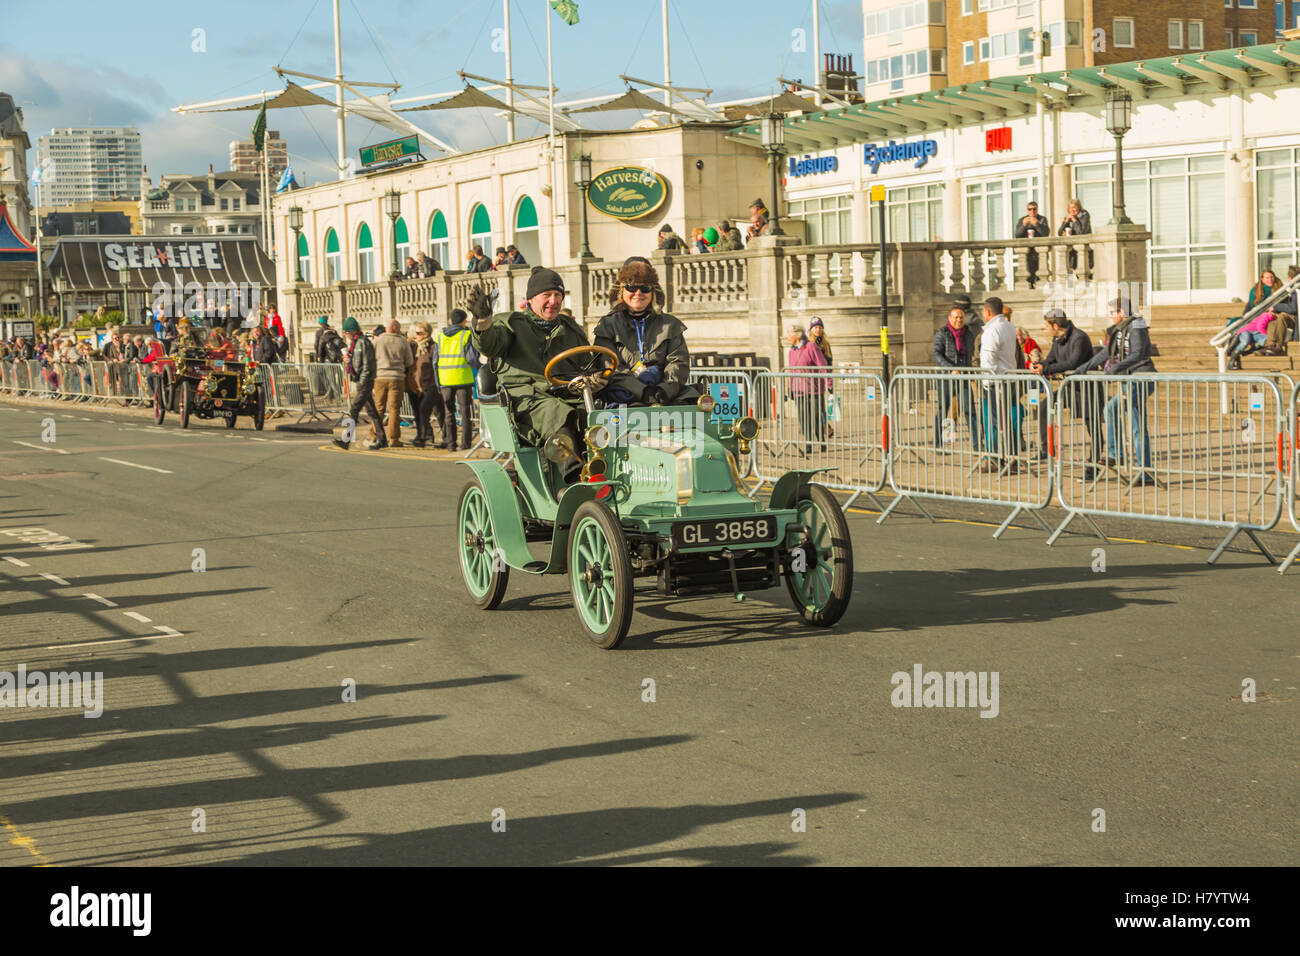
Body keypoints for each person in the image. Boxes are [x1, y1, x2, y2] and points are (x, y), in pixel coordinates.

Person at [470, 266, 592, 478]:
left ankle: (608, 469)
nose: (553, 301)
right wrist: (483, 321)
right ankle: (573, 480)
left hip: (566, 394)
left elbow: (589, 364)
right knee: (558, 414)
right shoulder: (511, 324)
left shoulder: (570, 329)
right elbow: (489, 345)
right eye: (547, 295)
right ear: (531, 299)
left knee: (600, 413)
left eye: (557, 295)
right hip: (525, 399)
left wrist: (596, 378)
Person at [593, 257, 699, 408]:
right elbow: (610, 366)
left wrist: (664, 390)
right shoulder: (608, 325)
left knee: (696, 402)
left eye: (645, 288)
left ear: (653, 291)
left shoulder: (670, 325)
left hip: (665, 396)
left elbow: (678, 363)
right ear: (621, 290)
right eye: (631, 287)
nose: (638, 293)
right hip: (624, 398)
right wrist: (642, 391)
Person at [1078, 298, 1157, 483]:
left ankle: (1116, 454)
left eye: (1112, 312)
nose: (1110, 315)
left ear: (1122, 312)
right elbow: (1107, 353)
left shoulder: (1136, 326)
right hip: (1127, 380)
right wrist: (1085, 366)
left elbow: (1137, 353)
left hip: (1141, 379)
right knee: (1138, 429)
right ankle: (1146, 474)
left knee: (1110, 409)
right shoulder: (1120, 329)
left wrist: (1114, 368)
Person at [1032, 309, 1104, 478]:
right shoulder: (1057, 338)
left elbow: (1074, 362)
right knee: (1044, 406)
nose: (1046, 329)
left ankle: (1093, 464)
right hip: (1070, 387)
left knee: (1092, 427)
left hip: (1087, 388)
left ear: (1055, 325)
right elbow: (1051, 358)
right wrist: (1039, 365)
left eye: (1046, 326)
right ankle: (1045, 448)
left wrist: (1047, 368)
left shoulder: (1080, 337)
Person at [977, 296, 1021, 472]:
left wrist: (986, 382)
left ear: (988, 312)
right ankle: (1011, 457)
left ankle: (996, 459)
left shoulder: (991, 330)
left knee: (996, 422)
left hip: (996, 380)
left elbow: (988, 358)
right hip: (1009, 377)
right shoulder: (1010, 327)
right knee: (1006, 421)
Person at [932, 305, 978, 449]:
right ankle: (938, 444)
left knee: (970, 409)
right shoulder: (942, 333)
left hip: (963, 377)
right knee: (943, 409)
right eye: (956, 317)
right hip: (946, 378)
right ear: (950, 318)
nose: (958, 320)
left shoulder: (968, 334)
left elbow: (970, 354)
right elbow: (936, 354)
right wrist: (950, 369)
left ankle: (977, 444)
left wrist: (970, 372)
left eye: (961, 317)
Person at [338, 316, 385, 451]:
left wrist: (363, 382)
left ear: (353, 331)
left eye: (347, 332)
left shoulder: (362, 342)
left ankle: (346, 440)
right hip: (360, 380)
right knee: (372, 412)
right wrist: (348, 361)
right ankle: (382, 438)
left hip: (364, 381)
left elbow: (367, 364)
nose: (345, 334)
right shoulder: (355, 343)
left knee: (354, 409)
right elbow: (358, 363)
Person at [436, 308, 478, 452]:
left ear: (450, 320)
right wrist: (481, 367)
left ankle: (450, 444)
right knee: (465, 413)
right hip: (463, 379)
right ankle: (465, 444)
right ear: (463, 321)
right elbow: (472, 358)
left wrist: (438, 382)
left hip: (445, 380)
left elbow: (435, 361)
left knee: (449, 413)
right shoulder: (466, 335)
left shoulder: (440, 336)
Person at [785, 323, 830, 453]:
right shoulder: (792, 351)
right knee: (803, 418)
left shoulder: (811, 347)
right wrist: (789, 388)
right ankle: (808, 443)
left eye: (789, 335)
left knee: (816, 417)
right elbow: (791, 371)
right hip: (799, 390)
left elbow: (823, 365)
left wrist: (830, 384)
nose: (788, 337)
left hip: (814, 390)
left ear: (796, 335)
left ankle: (821, 441)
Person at [369, 319, 414, 447]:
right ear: (395, 328)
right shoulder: (403, 341)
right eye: (399, 327)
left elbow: (371, 358)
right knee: (394, 409)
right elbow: (409, 361)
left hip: (380, 377)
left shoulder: (377, 341)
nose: (400, 330)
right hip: (397, 378)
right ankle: (394, 439)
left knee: (379, 408)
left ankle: (375, 435)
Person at [410, 322, 444, 448]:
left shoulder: (433, 347)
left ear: (426, 334)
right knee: (439, 412)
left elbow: (435, 366)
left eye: (419, 333)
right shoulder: (419, 348)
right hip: (422, 386)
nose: (416, 335)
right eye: (415, 333)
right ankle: (446, 438)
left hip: (433, 385)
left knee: (424, 410)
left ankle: (423, 437)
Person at [1014, 201, 1050, 288]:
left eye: (1034, 209)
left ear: (1037, 210)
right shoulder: (1022, 220)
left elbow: (1045, 233)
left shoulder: (1042, 219)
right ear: (1027, 210)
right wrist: (1023, 225)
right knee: (1029, 276)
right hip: (1028, 253)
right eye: (1030, 209)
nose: (1032, 211)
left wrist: (1036, 224)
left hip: (1040, 252)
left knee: (1041, 276)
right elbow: (1017, 235)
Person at [1058, 198, 1092, 273]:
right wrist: (1065, 222)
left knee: (1084, 274)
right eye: (1070, 208)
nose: (1072, 210)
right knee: (1071, 275)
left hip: (1083, 250)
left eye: (1074, 207)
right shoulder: (1068, 218)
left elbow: (1081, 232)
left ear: (1078, 207)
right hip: (1071, 252)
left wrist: (1074, 220)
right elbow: (1060, 233)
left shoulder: (1084, 215)